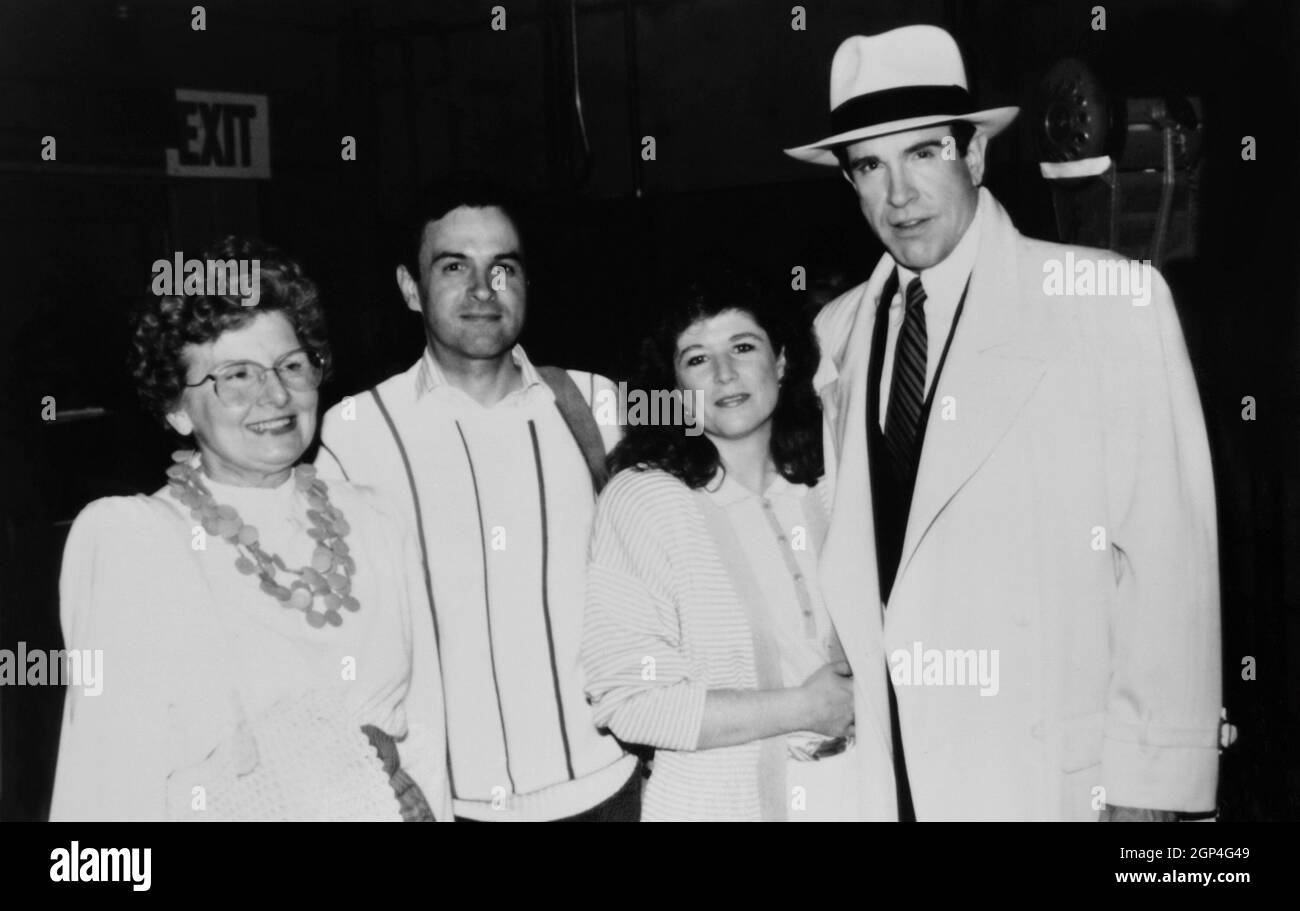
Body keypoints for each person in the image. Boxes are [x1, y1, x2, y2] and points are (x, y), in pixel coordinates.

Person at [784, 25, 1220, 821]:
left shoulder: (1108, 303)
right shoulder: (839, 330)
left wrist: (1148, 789)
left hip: (1047, 777)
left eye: (923, 154)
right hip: (899, 776)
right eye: (870, 167)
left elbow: (1169, 561)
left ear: (974, 157)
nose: (900, 196)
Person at [50, 236, 452, 821]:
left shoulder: (377, 518)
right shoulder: (134, 540)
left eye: (291, 365)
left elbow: (427, 739)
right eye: (235, 375)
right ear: (176, 407)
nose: (275, 393)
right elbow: (106, 785)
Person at [315, 174, 639, 821]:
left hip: (607, 787)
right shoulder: (356, 435)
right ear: (411, 286)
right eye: (455, 267)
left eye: (503, 268)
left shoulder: (601, 406)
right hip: (449, 801)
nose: (483, 291)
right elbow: (333, 631)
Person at [582, 270, 858, 821]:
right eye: (698, 359)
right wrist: (804, 708)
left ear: (780, 361)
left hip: (855, 794)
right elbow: (630, 703)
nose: (726, 373)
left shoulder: (833, 480)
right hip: (716, 805)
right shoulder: (644, 501)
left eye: (743, 346)